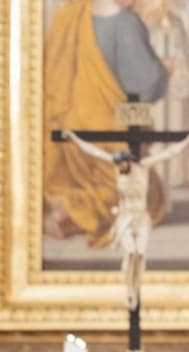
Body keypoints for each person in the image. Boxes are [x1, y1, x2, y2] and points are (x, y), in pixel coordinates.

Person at [44, 0, 170, 245]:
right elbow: (143, 86)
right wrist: (165, 71)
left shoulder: (68, 16)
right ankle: (74, 212)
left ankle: (64, 208)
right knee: (150, 198)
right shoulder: (126, 24)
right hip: (111, 132)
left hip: (68, 132)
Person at [61, 129, 189, 308]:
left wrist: (188, 140)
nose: (119, 168)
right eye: (118, 165)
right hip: (125, 219)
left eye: (122, 164)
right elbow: (93, 151)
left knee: (140, 254)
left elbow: (169, 153)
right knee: (131, 253)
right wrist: (74, 138)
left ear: (129, 161)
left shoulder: (143, 167)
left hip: (141, 219)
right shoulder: (117, 168)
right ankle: (129, 291)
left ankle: (135, 288)